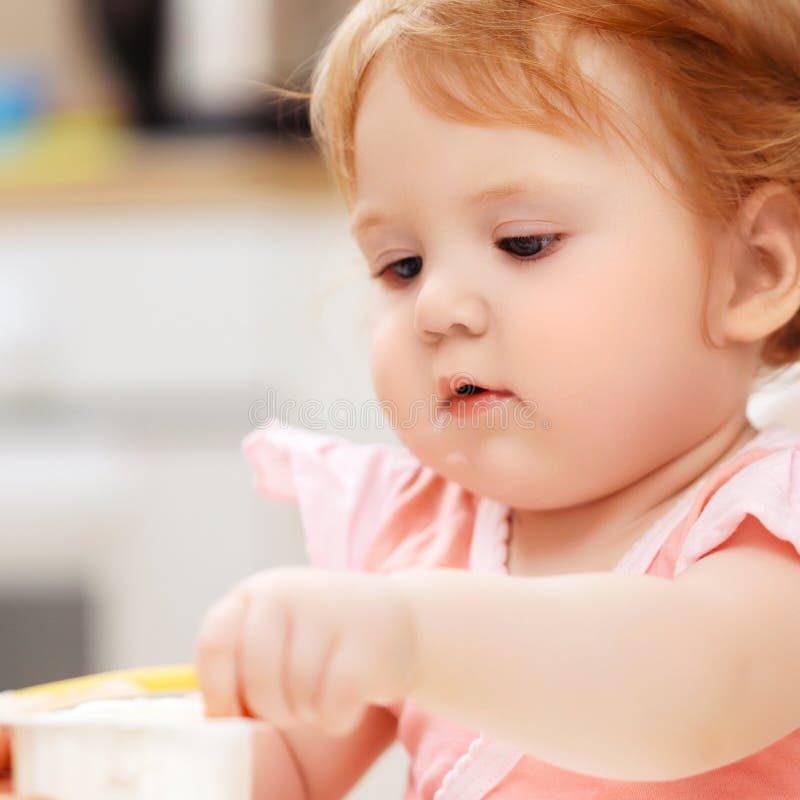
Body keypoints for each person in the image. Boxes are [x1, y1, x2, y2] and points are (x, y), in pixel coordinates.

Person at [4, 1, 800, 798]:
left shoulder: (767, 534)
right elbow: (282, 777)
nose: (437, 307)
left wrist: (412, 632)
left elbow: (686, 689)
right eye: (402, 265)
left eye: (523, 242)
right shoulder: (417, 538)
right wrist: (77, 764)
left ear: (754, 271)